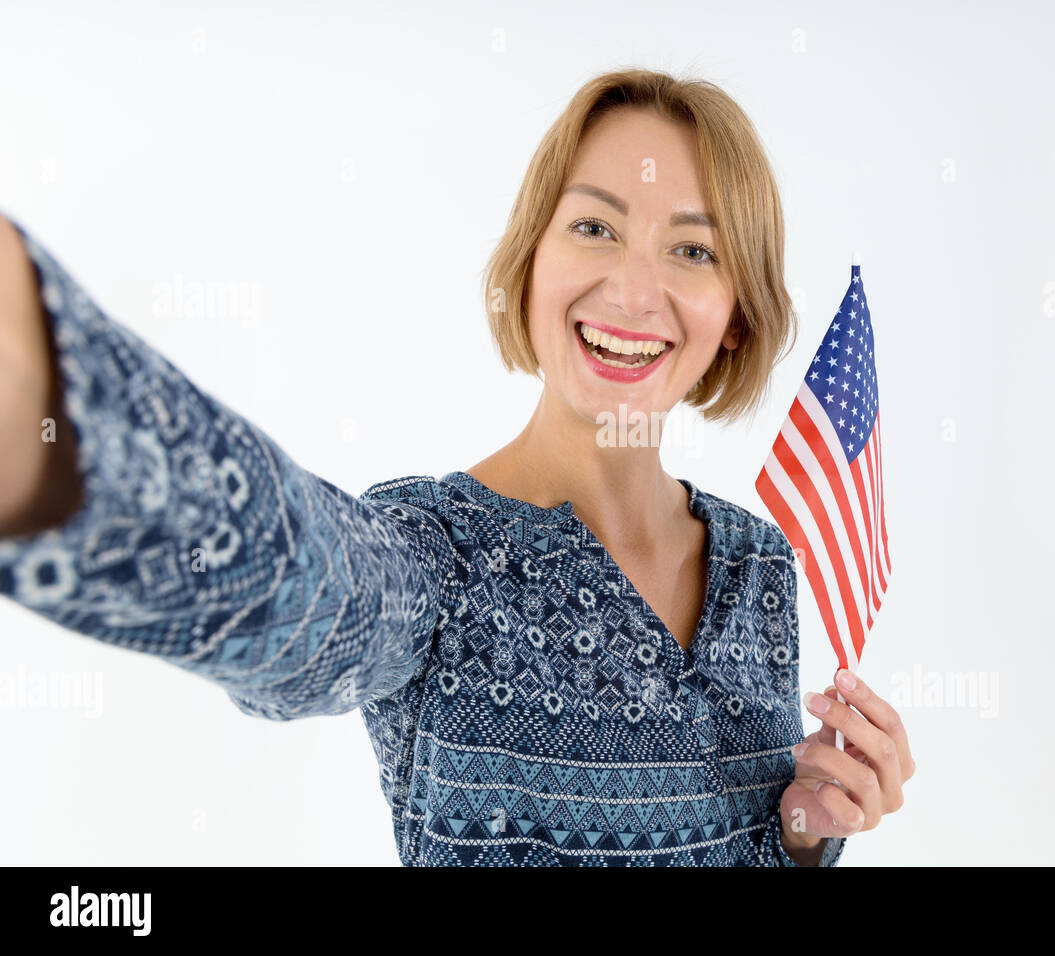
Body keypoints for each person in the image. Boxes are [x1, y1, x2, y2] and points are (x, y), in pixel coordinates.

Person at [0, 68, 914, 866]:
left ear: (734, 318)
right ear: (528, 267)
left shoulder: (761, 562)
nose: (635, 290)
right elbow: (301, 585)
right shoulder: (437, 552)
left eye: (691, 249)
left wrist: (801, 831)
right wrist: (48, 399)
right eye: (595, 227)